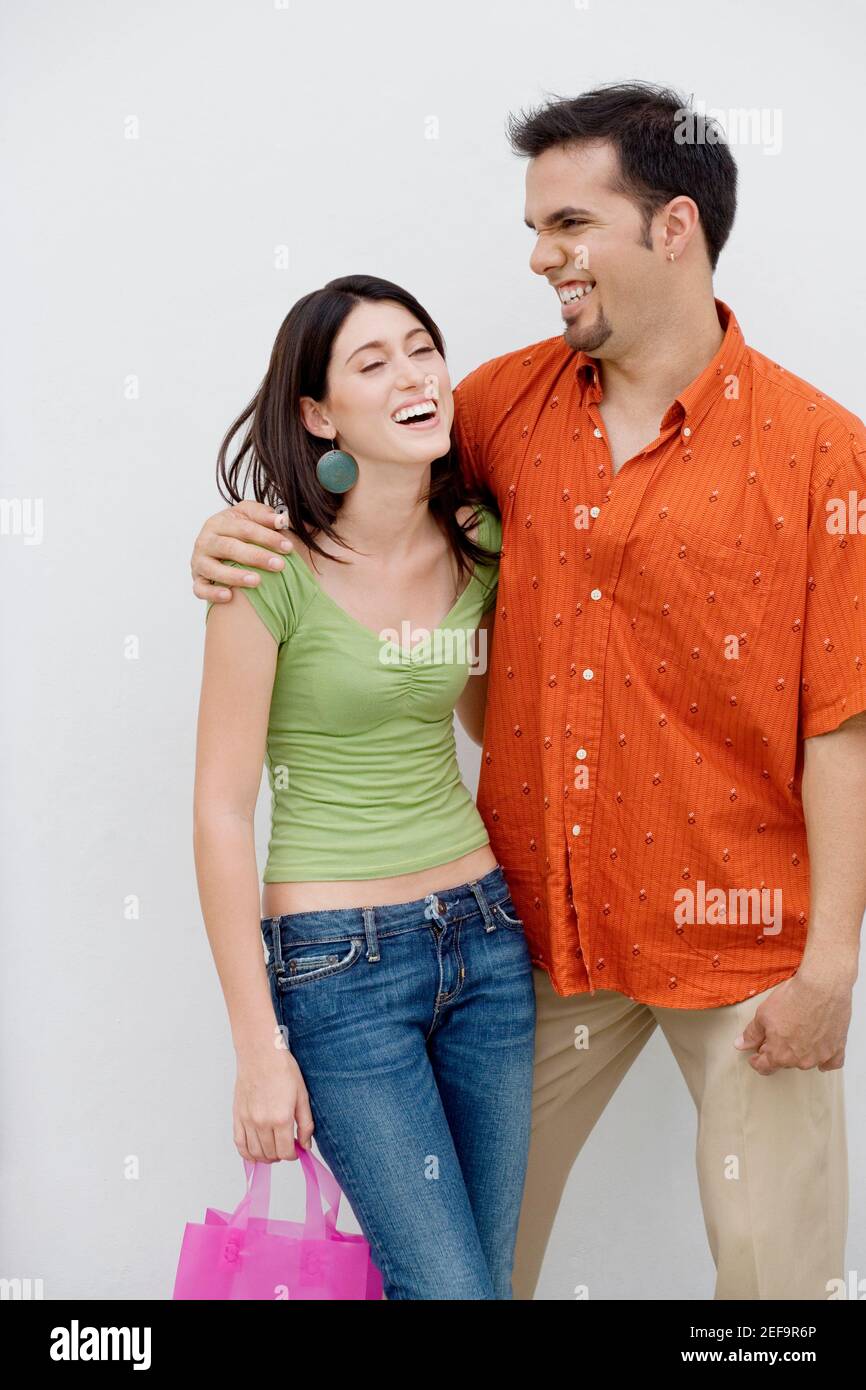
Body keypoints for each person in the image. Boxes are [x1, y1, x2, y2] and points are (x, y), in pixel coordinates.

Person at [191, 84, 866, 1301]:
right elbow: (357, 487)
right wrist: (232, 537)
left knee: (777, 1291)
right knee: (462, 1274)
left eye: (566, 224)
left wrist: (829, 969)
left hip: (744, 939)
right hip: (534, 934)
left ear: (670, 228)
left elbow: (842, 727)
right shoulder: (500, 408)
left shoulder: (820, 451)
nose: (541, 258)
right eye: (532, 230)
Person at [192, 273, 537, 1301]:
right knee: (448, 1289)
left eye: (422, 348)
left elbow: (484, 719)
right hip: (340, 969)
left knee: (483, 1284)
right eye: (371, 362)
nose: (412, 374)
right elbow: (219, 807)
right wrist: (258, 1049)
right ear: (317, 412)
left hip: (484, 942)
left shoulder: (479, 543)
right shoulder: (265, 564)